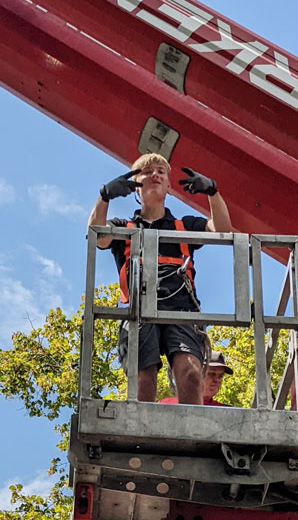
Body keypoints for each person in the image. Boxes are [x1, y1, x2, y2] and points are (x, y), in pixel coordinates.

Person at [90, 153, 232, 404]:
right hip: (139, 312)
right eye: (146, 172)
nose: (154, 175)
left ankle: (194, 435)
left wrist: (213, 192)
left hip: (183, 311)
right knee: (143, 381)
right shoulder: (124, 227)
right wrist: (104, 196)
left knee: (190, 375)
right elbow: (97, 236)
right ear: (135, 184)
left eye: (160, 172)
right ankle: (141, 438)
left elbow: (221, 229)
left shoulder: (183, 226)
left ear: (168, 184)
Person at [160, 350, 234, 406]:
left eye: (220, 376)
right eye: (212, 374)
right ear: (196, 373)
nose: (217, 380)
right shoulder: (166, 404)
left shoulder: (229, 412)